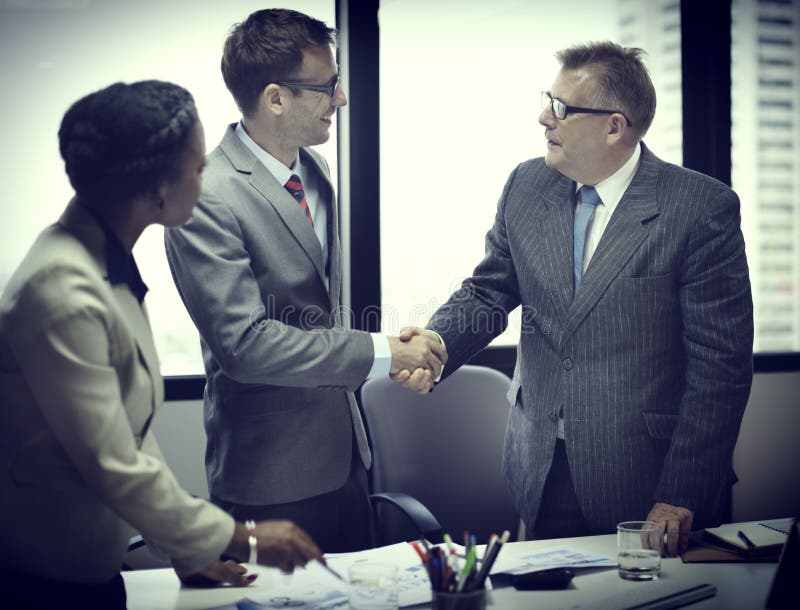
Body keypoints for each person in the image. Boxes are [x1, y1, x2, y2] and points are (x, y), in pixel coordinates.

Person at [400, 41, 753, 557]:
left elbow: (720, 368)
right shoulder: (526, 183)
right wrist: (436, 343)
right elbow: (491, 287)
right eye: (549, 98)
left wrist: (681, 494)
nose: (544, 117)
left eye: (562, 108)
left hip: (650, 481)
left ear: (615, 126)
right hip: (541, 466)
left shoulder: (700, 209)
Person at [0, 80, 322, 610]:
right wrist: (246, 538)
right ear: (156, 187)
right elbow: (114, 463)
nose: (205, 181)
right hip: (41, 578)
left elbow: (130, 431)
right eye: (197, 170)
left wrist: (186, 548)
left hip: (85, 569)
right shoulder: (61, 290)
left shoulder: (104, 260)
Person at [164, 8, 445, 553]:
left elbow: (316, 313)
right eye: (328, 86)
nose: (340, 99)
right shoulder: (209, 197)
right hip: (272, 474)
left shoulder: (311, 171)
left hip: (347, 457)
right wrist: (384, 352)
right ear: (275, 98)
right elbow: (245, 346)